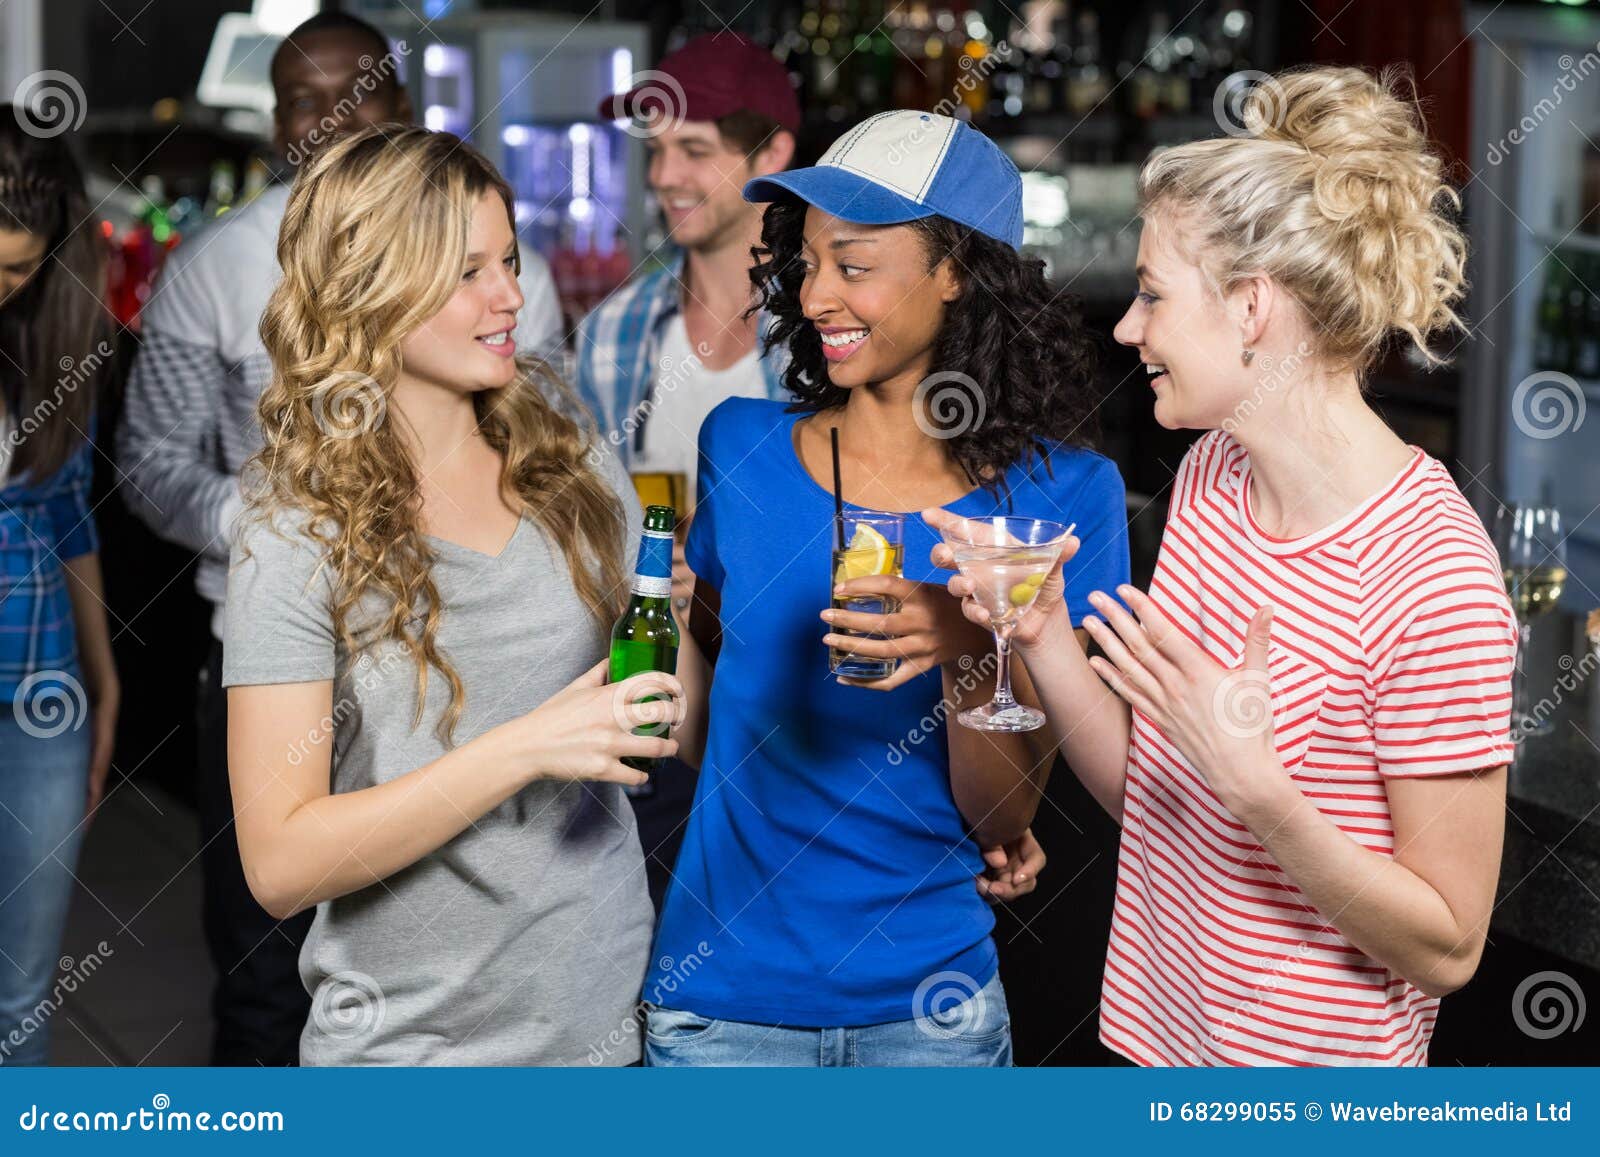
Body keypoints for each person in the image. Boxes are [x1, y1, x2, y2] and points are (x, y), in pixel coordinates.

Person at [929, 66, 1516, 1066]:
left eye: (1153, 294)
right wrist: (1041, 626)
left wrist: (1264, 794)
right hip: (1155, 1054)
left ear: (1251, 307)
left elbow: (1450, 943)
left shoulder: (1434, 573)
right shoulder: (1210, 477)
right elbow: (1155, 794)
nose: (1126, 327)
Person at [115, 11, 564, 1065]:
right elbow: (149, 462)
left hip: (473, 647)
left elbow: (542, 440)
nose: (331, 118)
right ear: (276, 123)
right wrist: (294, 530)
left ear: (403, 107)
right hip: (271, 653)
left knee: (487, 938)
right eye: (303, 100)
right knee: (268, 967)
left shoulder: (500, 265)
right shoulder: (217, 264)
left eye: (356, 90)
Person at [643, 110, 1129, 1066]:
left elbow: (1007, 821)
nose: (817, 292)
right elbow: (711, 736)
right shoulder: (740, 446)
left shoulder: (1063, 498)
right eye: (808, 259)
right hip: (719, 1011)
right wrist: (657, 633)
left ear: (956, 272)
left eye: (854, 264)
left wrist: (966, 645)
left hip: (930, 1016)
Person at [223, 125, 699, 1065]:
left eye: (511, 261)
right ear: (372, 290)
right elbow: (278, 866)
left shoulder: (574, 465)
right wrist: (526, 747)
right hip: (408, 1056)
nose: (512, 296)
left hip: (606, 1037)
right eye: (469, 271)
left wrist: (671, 612)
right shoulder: (294, 533)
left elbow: (677, 721)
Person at [582, 31, 798, 908]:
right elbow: (578, 516)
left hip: (789, 703)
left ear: (773, 155)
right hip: (651, 701)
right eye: (657, 150)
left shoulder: (829, 326)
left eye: (695, 150)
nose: (665, 175)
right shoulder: (613, 330)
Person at [0, 109, 119, 1065]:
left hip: (38, 695)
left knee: (22, 996)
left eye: (15, 270)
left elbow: (70, 511)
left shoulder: (48, 348)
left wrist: (102, 671)